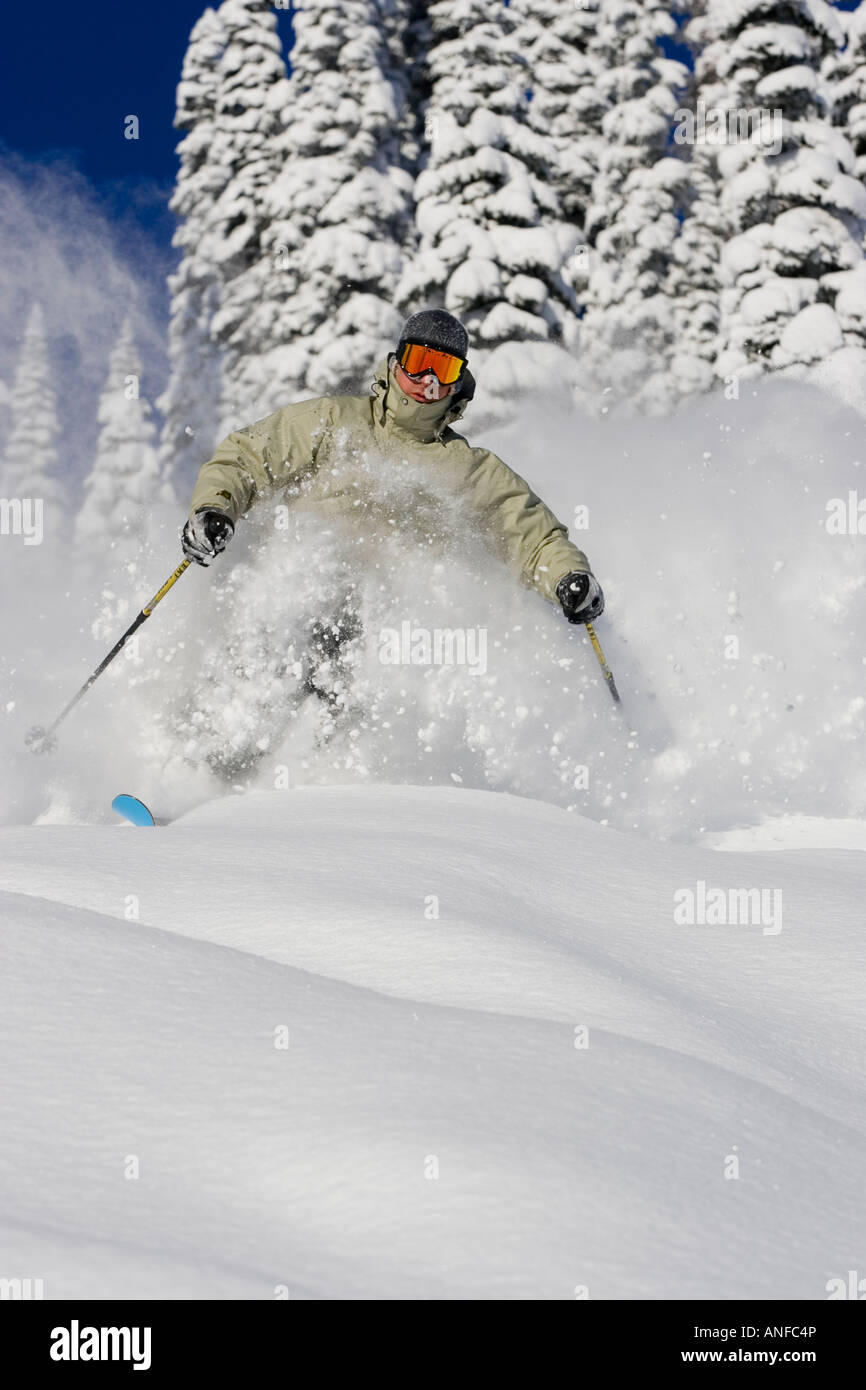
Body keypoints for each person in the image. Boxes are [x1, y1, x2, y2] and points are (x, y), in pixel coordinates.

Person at [182, 310, 605, 697]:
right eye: (420, 362)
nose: (429, 380)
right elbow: (249, 457)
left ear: (458, 382)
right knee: (274, 635)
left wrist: (569, 577)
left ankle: (347, 770)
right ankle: (201, 755)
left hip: (383, 633)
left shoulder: (469, 469)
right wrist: (214, 509)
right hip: (292, 601)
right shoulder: (333, 421)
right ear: (396, 362)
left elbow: (530, 536)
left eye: (444, 368)